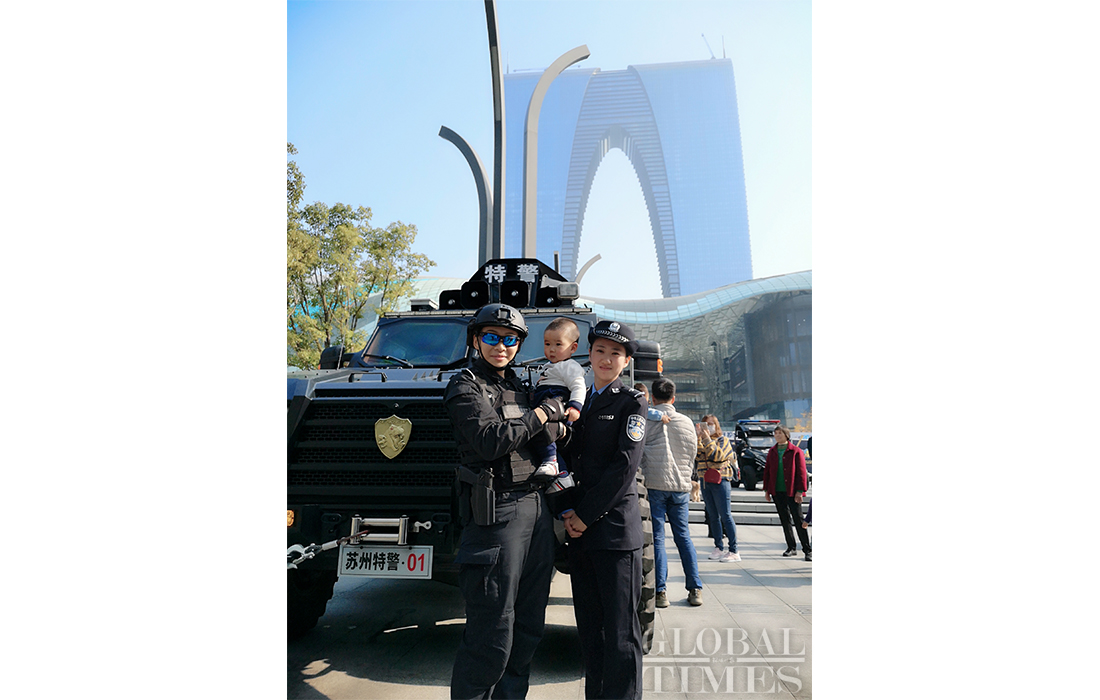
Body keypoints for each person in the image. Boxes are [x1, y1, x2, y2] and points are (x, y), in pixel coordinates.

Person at [443, 303, 570, 699]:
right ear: (476, 339)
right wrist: (539, 415)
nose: (501, 346)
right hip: (496, 514)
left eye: (510, 338)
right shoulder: (464, 386)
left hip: (535, 510)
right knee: (491, 631)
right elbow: (489, 440)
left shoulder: (519, 386)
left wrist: (558, 427)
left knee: (529, 623)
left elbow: (540, 435)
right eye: (492, 337)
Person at [562, 319, 647, 700]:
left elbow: (623, 469)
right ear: (590, 354)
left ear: (626, 361)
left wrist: (582, 515)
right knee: (590, 632)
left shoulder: (632, 402)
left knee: (620, 635)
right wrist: (565, 511)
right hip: (579, 534)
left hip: (612, 533)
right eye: (600, 351)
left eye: (616, 353)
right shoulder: (575, 400)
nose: (606, 359)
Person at [640, 377, 703, 608]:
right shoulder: (687, 422)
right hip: (680, 487)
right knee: (683, 537)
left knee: (657, 539)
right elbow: (692, 453)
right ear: (673, 398)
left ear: (653, 398)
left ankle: (660, 592)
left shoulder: (646, 421)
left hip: (655, 484)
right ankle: (695, 588)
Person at [530, 317, 586, 479]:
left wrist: (575, 407)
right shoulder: (549, 366)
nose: (551, 349)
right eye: (547, 344)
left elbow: (578, 386)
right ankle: (562, 474)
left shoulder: (570, 366)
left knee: (543, 432)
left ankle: (551, 462)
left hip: (557, 406)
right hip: (546, 405)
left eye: (558, 344)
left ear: (573, 347)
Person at [763, 424, 812, 561]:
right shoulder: (772, 451)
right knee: (785, 520)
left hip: (792, 491)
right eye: (776, 433)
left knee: (798, 519)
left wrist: (800, 491)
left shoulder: (795, 451)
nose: (777, 435)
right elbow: (767, 472)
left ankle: (807, 549)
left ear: (786, 435)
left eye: (780, 433)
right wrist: (767, 490)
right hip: (777, 492)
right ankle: (791, 547)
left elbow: (802, 473)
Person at [695, 415, 741, 562]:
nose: (708, 427)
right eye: (705, 424)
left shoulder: (723, 440)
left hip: (721, 480)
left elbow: (717, 456)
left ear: (716, 425)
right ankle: (718, 546)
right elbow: (697, 456)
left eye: (711, 424)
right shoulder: (701, 441)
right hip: (705, 480)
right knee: (712, 515)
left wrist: (708, 439)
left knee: (725, 515)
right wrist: (697, 438)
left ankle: (734, 550)